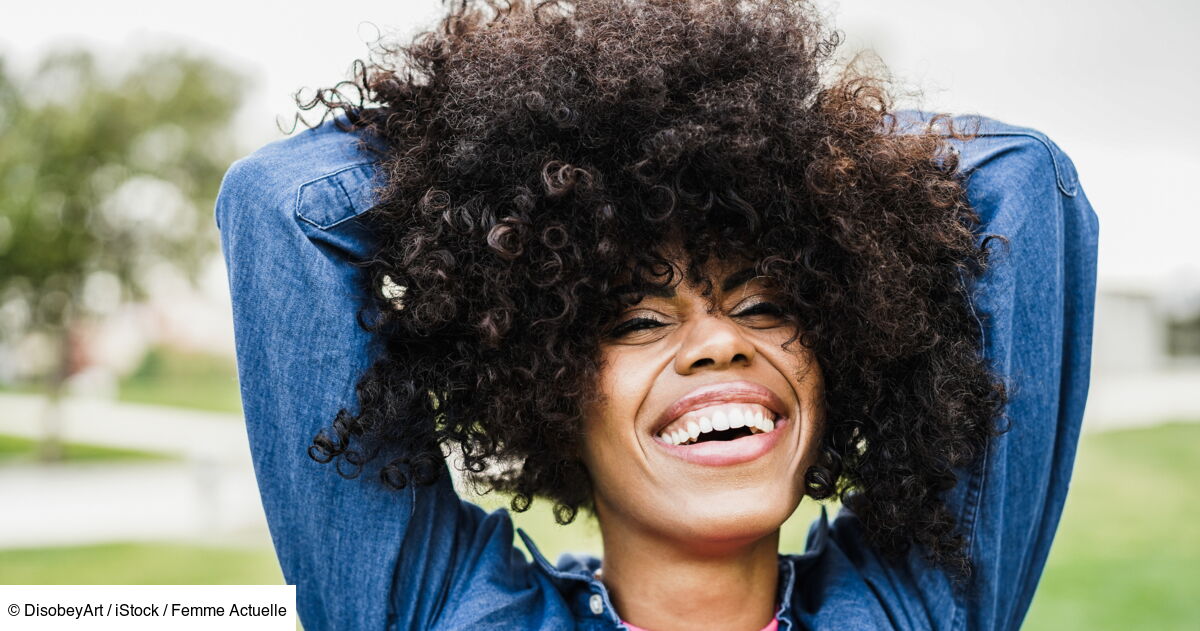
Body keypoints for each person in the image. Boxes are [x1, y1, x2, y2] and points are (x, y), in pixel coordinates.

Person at [215, 1, 1099, 629]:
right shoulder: (443, 614)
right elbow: (283, 204)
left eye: (762, 303)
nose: (720, 342)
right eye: (638, 319)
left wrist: (784, 142)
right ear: (547, 387)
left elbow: (1020, 184)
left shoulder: (914, 612)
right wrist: (544, 140)